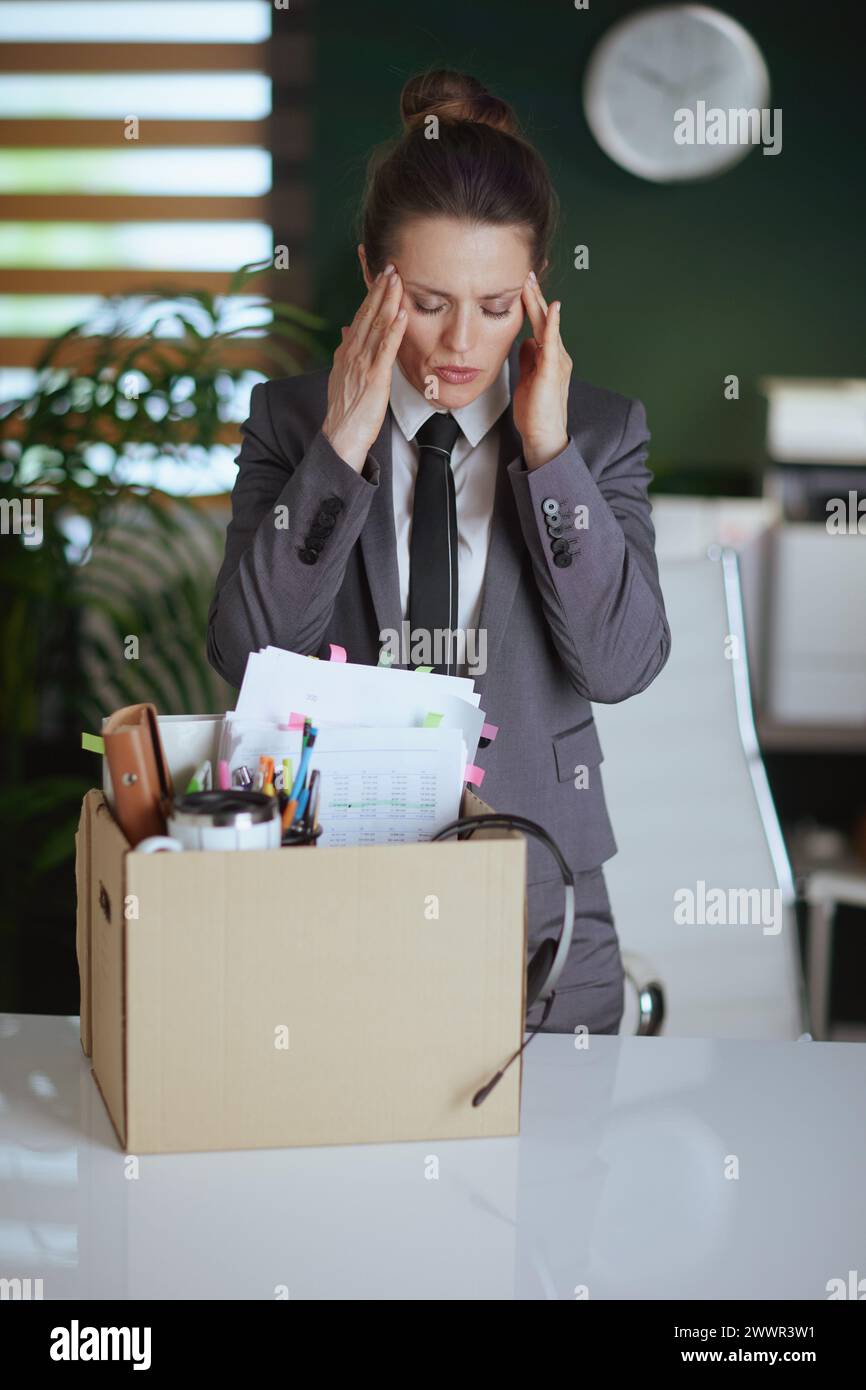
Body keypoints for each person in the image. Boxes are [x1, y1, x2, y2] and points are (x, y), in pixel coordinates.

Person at [207, 69, 671, 1036]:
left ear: (537, 293)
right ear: (374, 268)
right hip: (333, 891)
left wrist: (548, 458)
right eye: (426, 301)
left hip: (539, 901)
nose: (461, 343)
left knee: (557, 1173)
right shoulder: (293, 424)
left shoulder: (597, 435)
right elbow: (249, 652)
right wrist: (339, 446)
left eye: (498, 305)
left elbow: (621, 665)